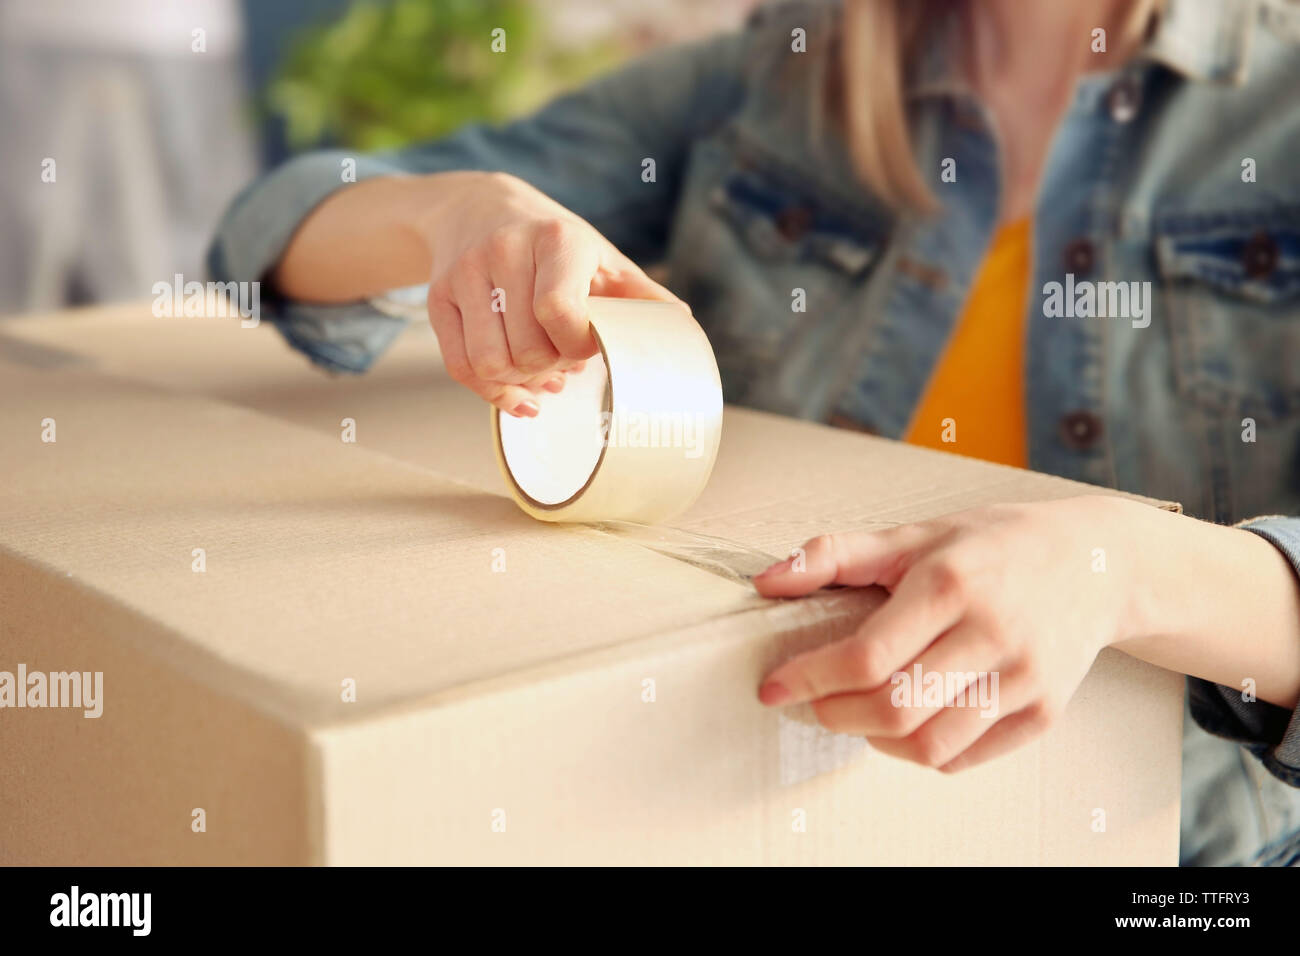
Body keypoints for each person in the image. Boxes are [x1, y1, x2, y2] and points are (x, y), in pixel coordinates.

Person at [209, 0, 1300, 866]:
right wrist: (454, 214)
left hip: (1164, 843)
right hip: (734, 793)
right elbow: (267, 235)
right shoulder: (772, 78)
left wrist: (1120, 564)